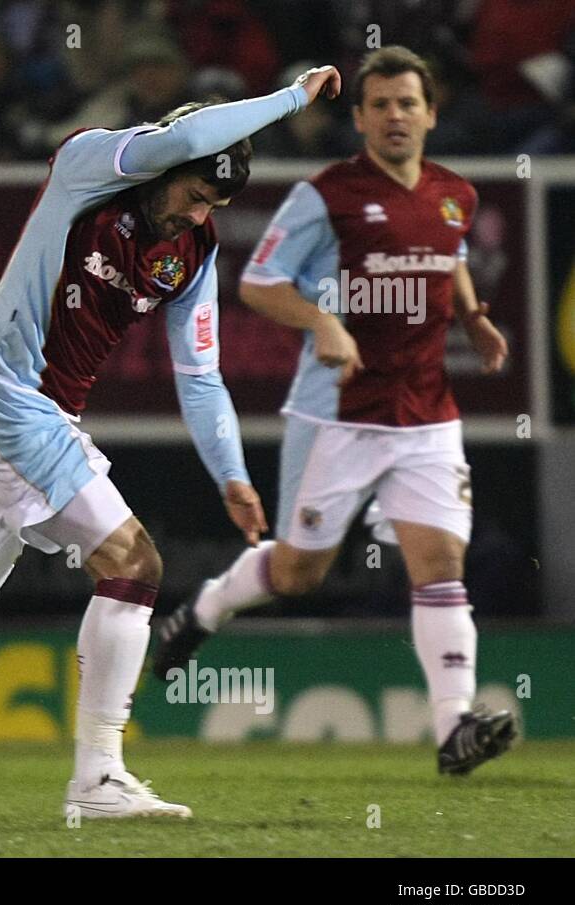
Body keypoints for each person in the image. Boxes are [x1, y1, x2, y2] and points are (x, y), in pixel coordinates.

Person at [0, 65, 344, 819]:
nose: (196, 215)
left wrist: (231, 474)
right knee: (133, 561)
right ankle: (97, 780)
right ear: (164, 167)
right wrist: (293, 98)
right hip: (5, 395)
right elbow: (188, 135)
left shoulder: (193, 253)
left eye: (212, 205)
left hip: (19, 414)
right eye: (193, 195)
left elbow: (200, 373)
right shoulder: (90, 166)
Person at [151, 47, 516, 776]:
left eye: (407, 103)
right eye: (379, 105)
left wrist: (473, 317)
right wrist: (322, 322)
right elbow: (259, 282)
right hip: (337, 416)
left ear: (430, 114)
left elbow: (449, 256)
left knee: (441, 563)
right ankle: (204, 611)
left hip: (426, 414)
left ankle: (454, 733)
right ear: (359, 118)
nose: (395, 117)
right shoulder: (327, 195)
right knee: (297, 574)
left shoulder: (455, 195)